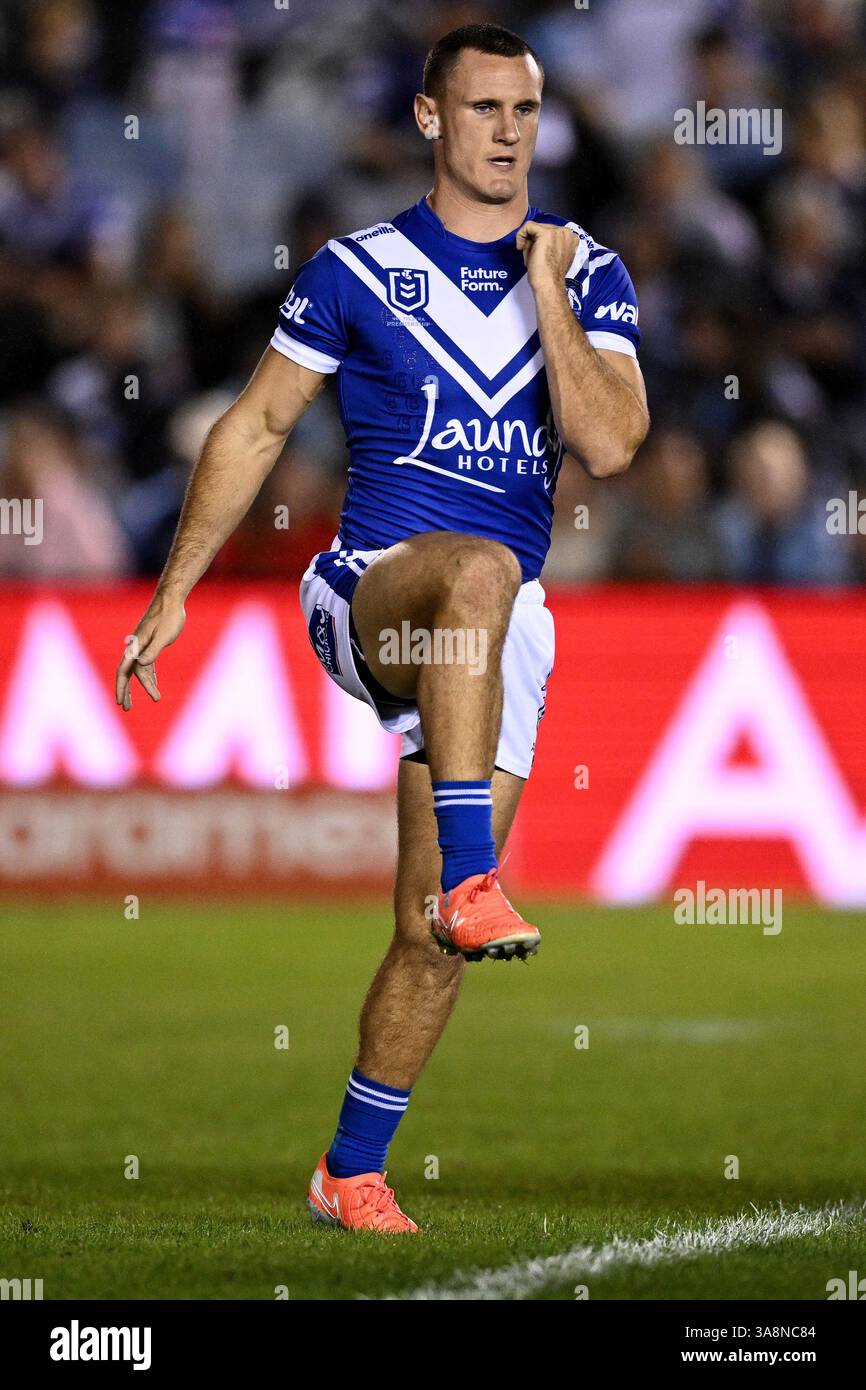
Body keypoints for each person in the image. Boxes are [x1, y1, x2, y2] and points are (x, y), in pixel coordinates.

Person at [115, 23, 649, 1235]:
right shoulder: (354, 271)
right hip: (371, 589)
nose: (508, 132)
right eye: (483, 109)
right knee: (472, 568)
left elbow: (612, 446)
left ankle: (347, 1169)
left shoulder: (588, 269)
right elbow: (253, 426)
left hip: (497, 625)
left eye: (525, 111)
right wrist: (174, 590)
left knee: (426, 936)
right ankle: (477, 875)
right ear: (429, 120)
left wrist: (550, 291)